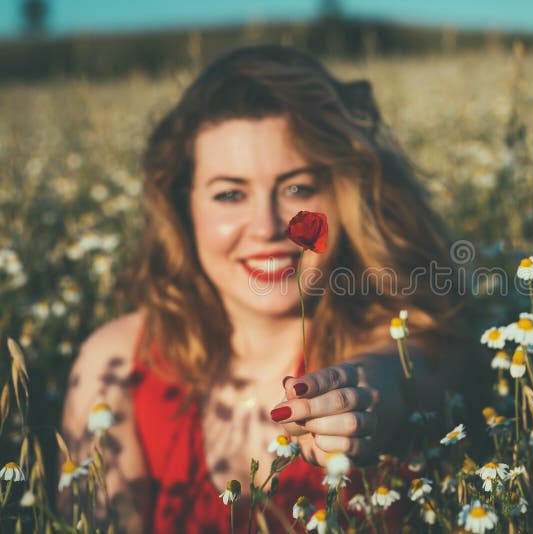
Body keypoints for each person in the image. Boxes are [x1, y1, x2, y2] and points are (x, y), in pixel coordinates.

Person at [60, 45, 479, 532]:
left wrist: (361, 398)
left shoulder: (419, 344)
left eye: (297, 188)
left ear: (344, 196)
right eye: (230, 194)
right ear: (183, 207)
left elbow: (397, 380)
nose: (266, 227)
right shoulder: (116, 366)